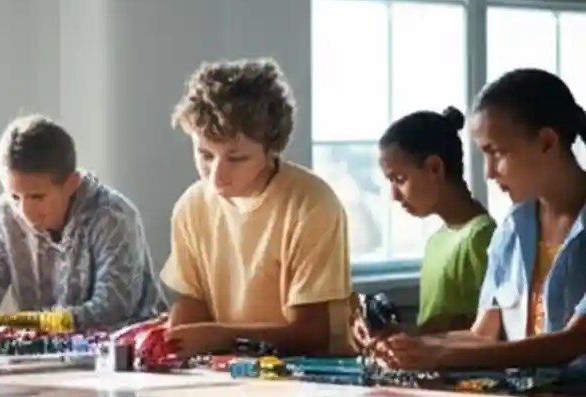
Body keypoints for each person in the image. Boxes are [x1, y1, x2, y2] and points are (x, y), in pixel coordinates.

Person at [377, 69, 586, 373]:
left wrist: (441, 357)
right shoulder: (513, 229)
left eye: (497, 153)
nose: (489, 172)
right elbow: (483, 334)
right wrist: (405, 344)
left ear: (546, 142)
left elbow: (572, 342)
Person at [161, 58, 353, 357]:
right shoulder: (192, 206)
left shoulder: (312, 204)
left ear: (272, 148)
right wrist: (176, 336)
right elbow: (190, 307)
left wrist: (220, 338)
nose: (217, 176)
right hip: (226, 375)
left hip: (311, 378)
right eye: (205, 155)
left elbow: (315, 335)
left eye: (236, 159)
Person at [0, 114, 161, 331]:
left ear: (72, 183)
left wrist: (28, 322)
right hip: (47, 354)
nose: (25, 211)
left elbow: (112, 310)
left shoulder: (113, 217)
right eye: (15, 196)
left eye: (37, 197)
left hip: (130, 355)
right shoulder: (6, 213)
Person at [367, 107, 494, 340]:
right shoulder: (437, 241)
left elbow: (491, 330)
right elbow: (434, 333)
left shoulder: (482, 237)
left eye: (400, 179)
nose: (394, 194)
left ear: (435, 168)